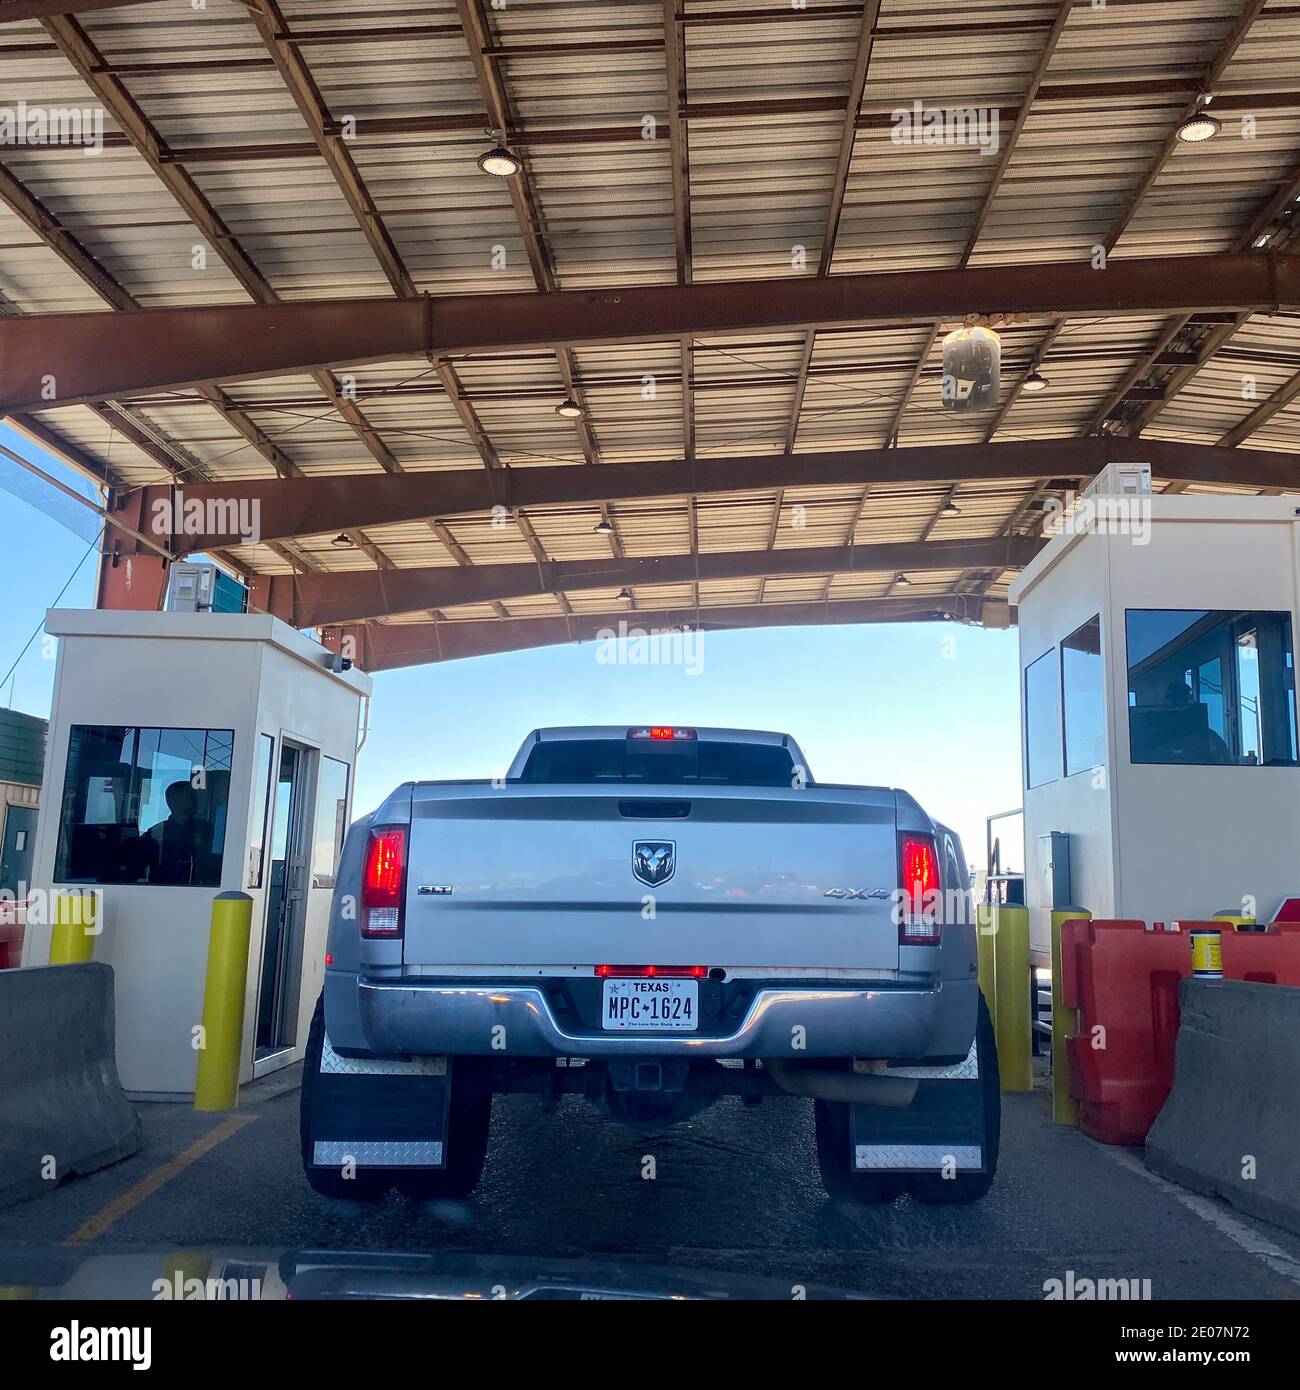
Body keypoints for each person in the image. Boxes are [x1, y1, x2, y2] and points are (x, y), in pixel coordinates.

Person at [144, 780, 218, 885]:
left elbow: (214, 862)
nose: (195, 800)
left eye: (194, 797)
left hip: (201, 888)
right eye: (190, 796)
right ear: (174, 802)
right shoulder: (156, 833)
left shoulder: (205, 828)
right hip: (162, 889)